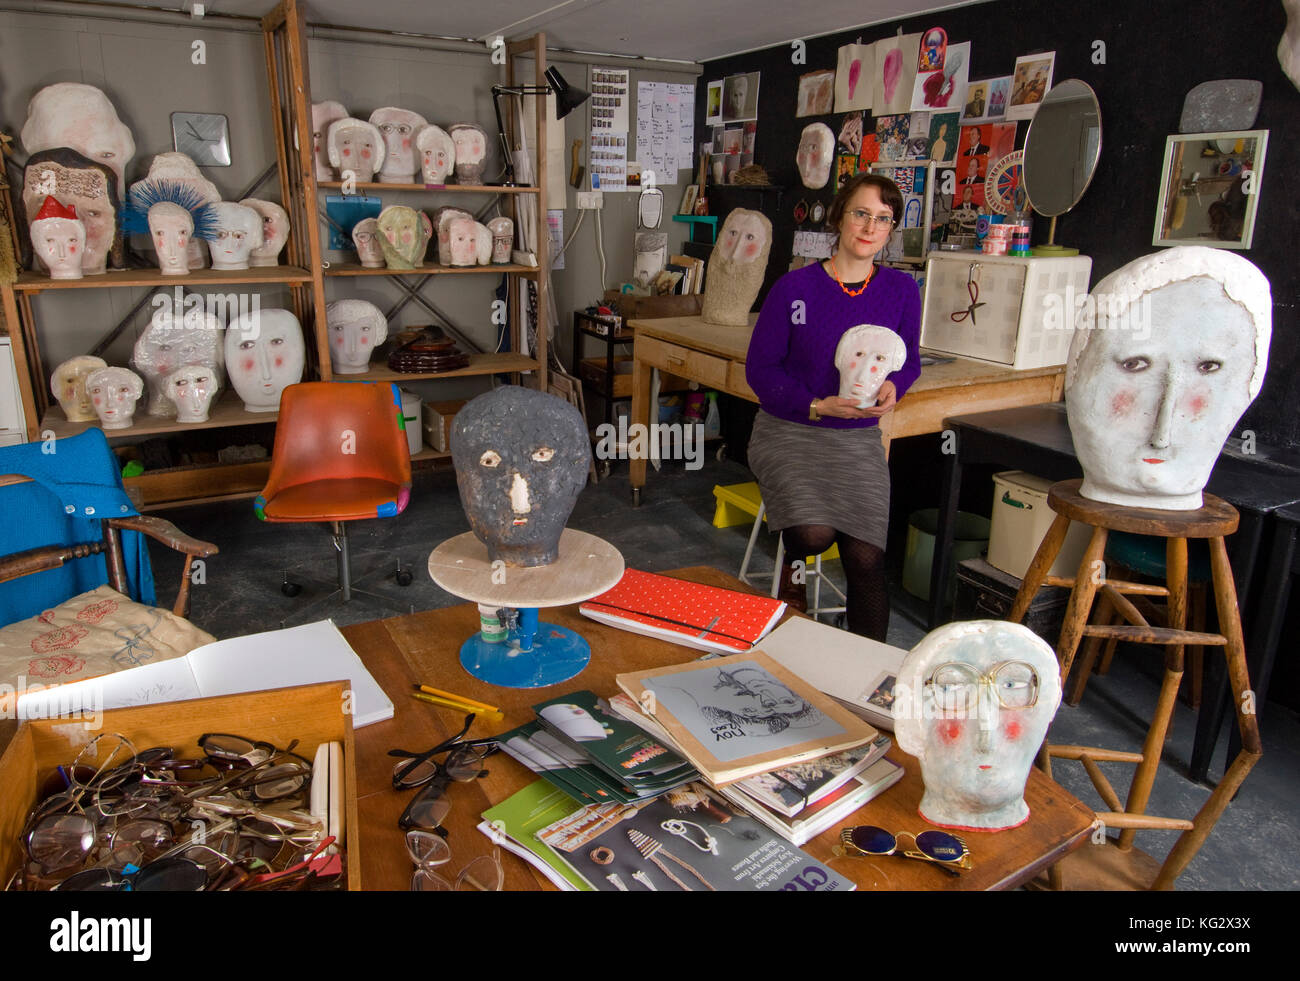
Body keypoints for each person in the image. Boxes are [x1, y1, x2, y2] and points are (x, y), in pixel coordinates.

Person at [745, 173, 922, 642]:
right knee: (813, 534)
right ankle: (792, 588)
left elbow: (909, 360)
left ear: (890, 229)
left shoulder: (901, 291)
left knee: (866, 556)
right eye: (861, 213)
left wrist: (895, 387)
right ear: (840, 216)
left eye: (883, 219)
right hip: (790, 428)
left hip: (857, 437)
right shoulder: (794, 289)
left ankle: (866, 675)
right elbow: (760, 372)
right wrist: (816, 405)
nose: (870, 227)